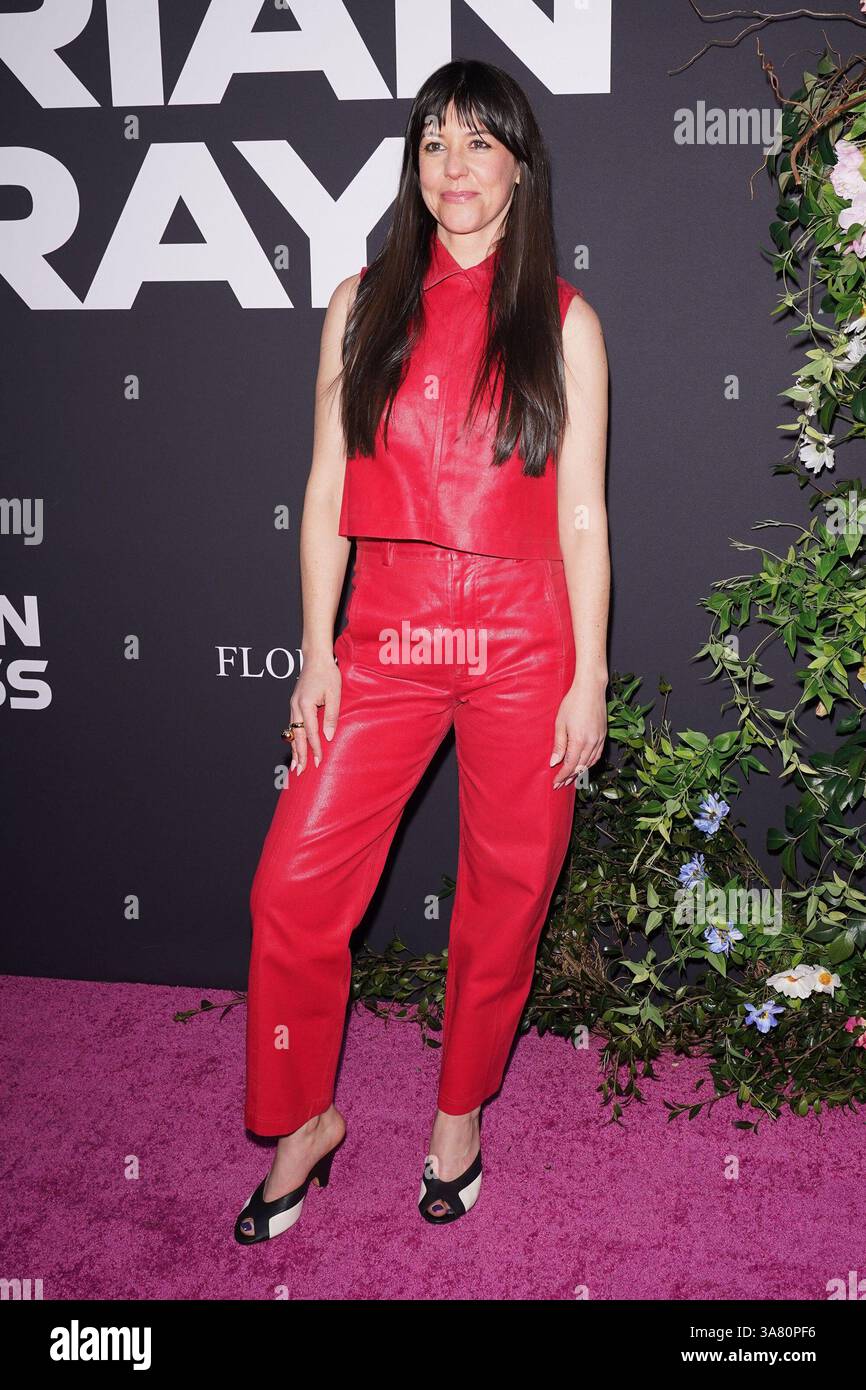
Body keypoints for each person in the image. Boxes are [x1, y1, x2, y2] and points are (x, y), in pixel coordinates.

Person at [235, 58, 609, 1243]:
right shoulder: (358, 303)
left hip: (521, 638)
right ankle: (303, 1118)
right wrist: (314, 650)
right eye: (434, 142)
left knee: (503, 902)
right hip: (384, 634)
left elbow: (584, 514)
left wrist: (587, 673)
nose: (455, 165)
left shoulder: (564, 320)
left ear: (517, 166)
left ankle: (458, 1116)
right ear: (415, 164)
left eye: (479, 142)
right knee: (290, 890)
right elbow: (318, 483)